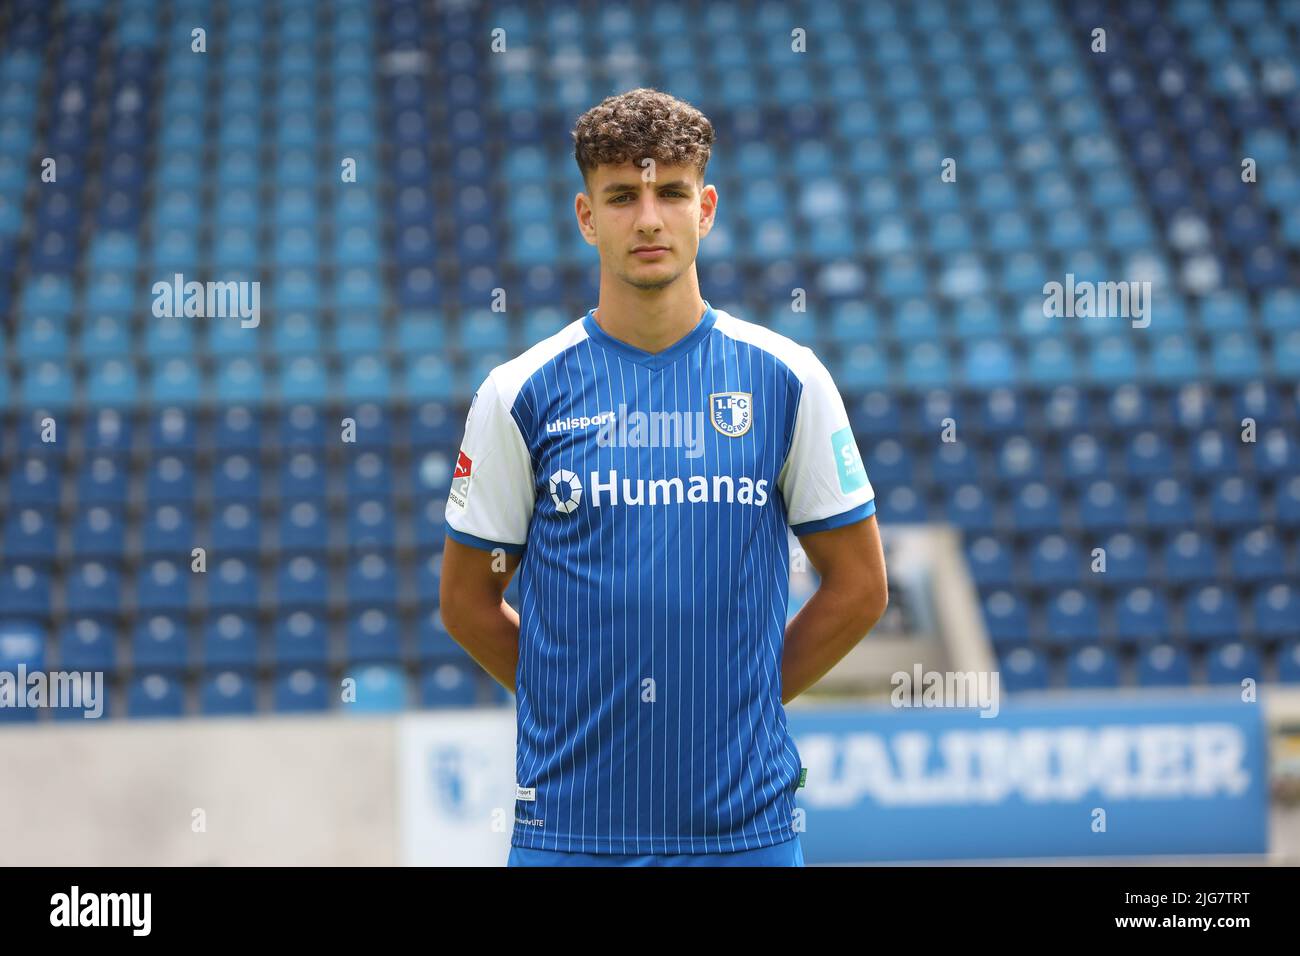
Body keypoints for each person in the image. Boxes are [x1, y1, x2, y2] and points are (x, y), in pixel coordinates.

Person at [439, 88, 888, 867]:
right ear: (586, 217)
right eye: (621, 196)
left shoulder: (789, 379)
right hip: (569, 835)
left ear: (704, 208)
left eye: (671, 192)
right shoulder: (518, 393)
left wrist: (734, 707)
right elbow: (466, 603)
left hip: (745, 835)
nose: (648, 218)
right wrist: (576, 707)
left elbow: (859, 588)